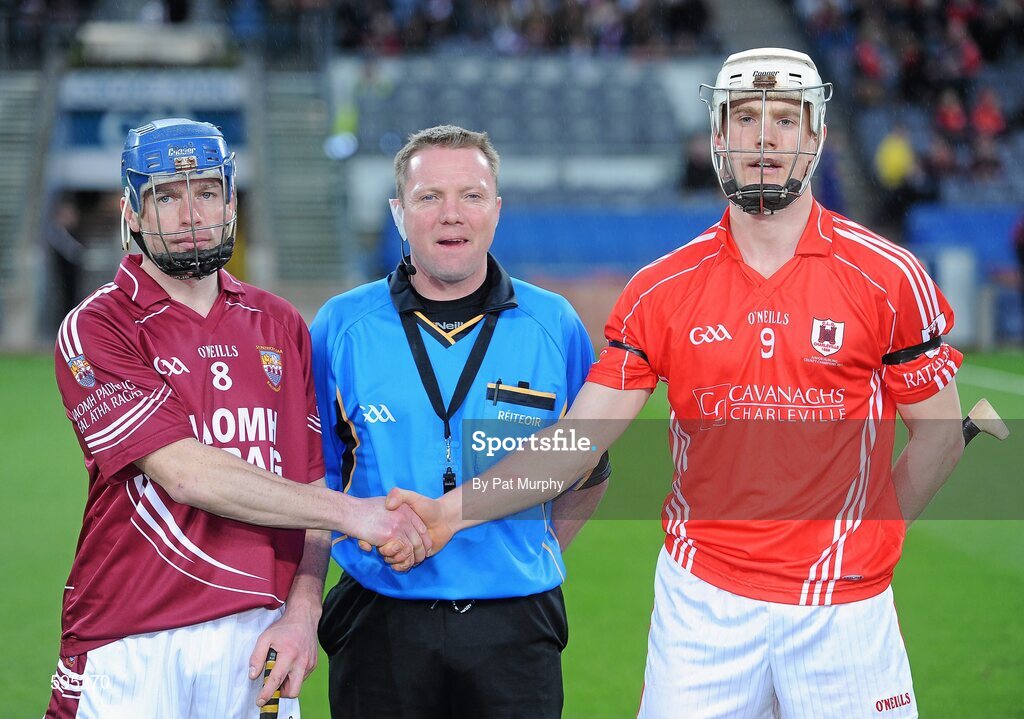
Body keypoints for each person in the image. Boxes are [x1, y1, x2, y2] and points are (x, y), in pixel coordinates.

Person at [388, 49, 966, 717]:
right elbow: (577, 442)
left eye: (786, 119)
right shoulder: (663, 288)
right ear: (717, 136)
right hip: (704, 605)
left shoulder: (887, 276)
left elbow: (940, 436)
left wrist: (878, 533)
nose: (764, 138)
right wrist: (449, 511)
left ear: (817, 136)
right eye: (745, 117)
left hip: (845, 608)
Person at [45, 118, 431, 719]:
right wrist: (359, 515)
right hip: (132, 639)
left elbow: (308, 489)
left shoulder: (280, 324)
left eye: (205, 192)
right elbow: (184, 474)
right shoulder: (99, 325)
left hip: (259, 640)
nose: (190, 213)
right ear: (132, 211)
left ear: (230, 201)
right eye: (166, 196)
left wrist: (303, 615)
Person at [309, 124, 610, 719]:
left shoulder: (555, 324)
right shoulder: (339, 327)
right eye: (429, 197)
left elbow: (590, 468)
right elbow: (310, 481)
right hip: (378, 620)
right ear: (399, 212)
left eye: (471, 196)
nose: (452, 215)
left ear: (496, 210)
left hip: (515, 627)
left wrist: (533, 553)